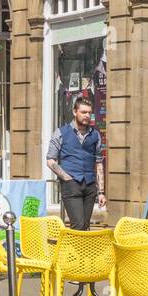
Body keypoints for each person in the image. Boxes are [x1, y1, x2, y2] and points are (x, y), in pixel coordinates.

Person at [46, 96, 105, 230]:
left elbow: (99, 163)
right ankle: (71, 251)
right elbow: (50, 160)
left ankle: (81, 251)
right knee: (78, 225)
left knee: (85, 226)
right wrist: (66, 178)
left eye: (89, 113)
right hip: (71, 185)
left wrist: (101, 192)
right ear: (74, 112)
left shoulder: (95, 135)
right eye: (83, 112)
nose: (87, 116)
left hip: (90, 185)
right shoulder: (61, 132)